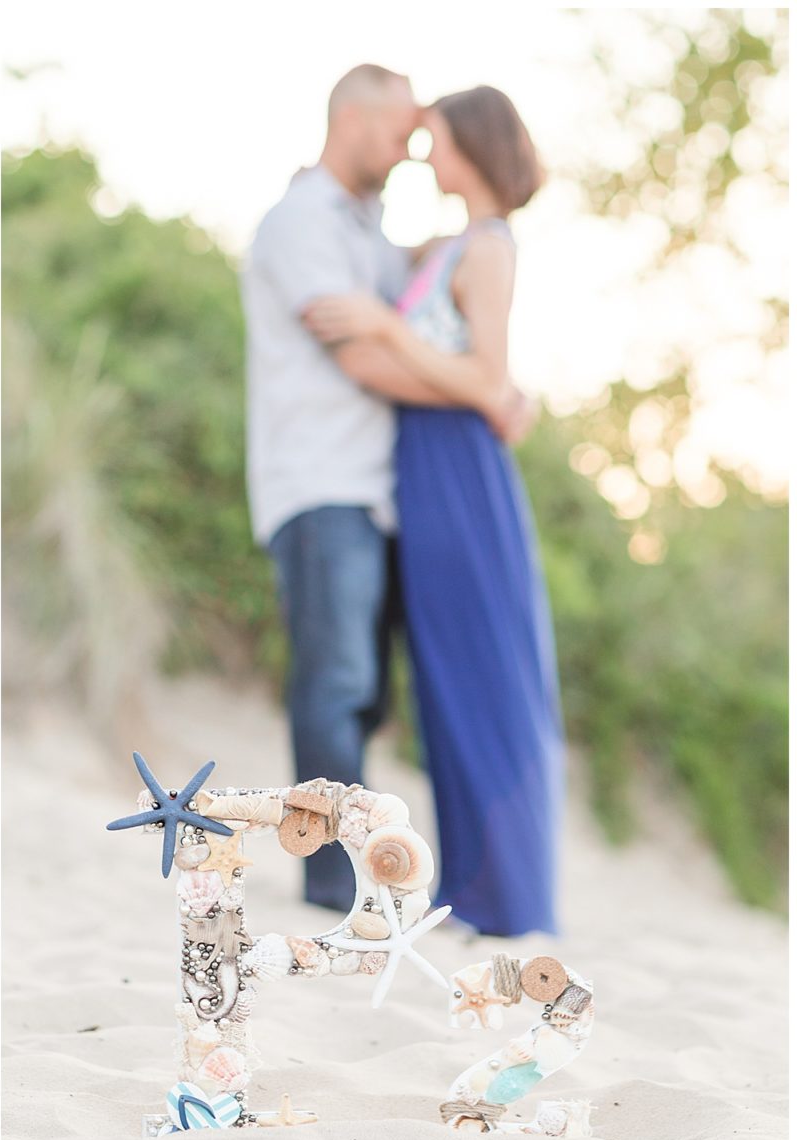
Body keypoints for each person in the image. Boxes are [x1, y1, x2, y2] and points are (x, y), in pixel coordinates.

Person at [242, 65, 529, 913]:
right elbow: (364, 357)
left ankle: (382, 876)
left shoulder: (366, 232)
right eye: (402, 133)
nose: (411, 152)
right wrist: (488, 392)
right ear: (355, 120)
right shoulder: (302, 223)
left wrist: (482, 374)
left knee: (371, 694)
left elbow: (423, 310)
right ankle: (330, 888)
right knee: (333, 684)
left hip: (387, 489)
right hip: (320, 481)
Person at [300, 86, 563, 937]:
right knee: (444, 681)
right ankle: (477, 887)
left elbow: (487, 378)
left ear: (472, 151)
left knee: (480, 675)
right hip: (425, 464)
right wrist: (317, 189)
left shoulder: (488, 250)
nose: (424, 156)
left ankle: (507, 897)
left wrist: (386, 328)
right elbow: (370, 248)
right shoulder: (448, 243)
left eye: (436, 142)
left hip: (459, 471)